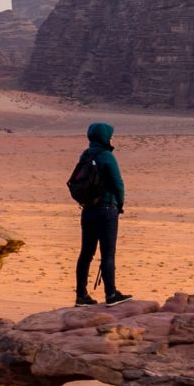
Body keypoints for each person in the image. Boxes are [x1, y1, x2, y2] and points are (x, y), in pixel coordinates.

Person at [68, 120, 131, 304]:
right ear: (105, 137)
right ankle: (111, 294)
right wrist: (119, 204)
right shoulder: (106, 156)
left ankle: (81, 295)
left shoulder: (85, 155)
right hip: (106, 209)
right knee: (108, 253)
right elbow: (118, 184)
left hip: (88, 210)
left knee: (86, 253)